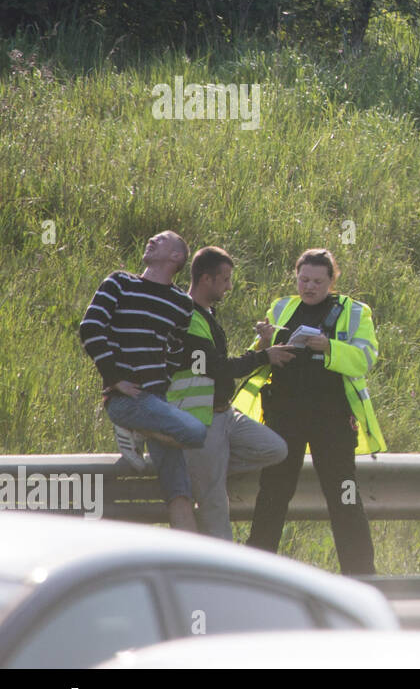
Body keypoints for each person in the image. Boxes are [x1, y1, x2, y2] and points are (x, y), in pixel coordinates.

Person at [233, 249, 385, 574]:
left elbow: (365, 359)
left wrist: (330, 347)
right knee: (273, 494)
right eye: (304, 279)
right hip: (283, 415)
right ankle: (258, 573)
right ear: (296, 276)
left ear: (332, 281)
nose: (309, 287)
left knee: (343, 497)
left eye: (318, 281)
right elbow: (257, 353)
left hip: (331, 418)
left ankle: (361, 576)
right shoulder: (282, 307)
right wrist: (263, 343)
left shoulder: (354, 312)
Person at [79, 230, 206, 531]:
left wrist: (163, 379)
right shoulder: (120, 282)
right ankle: (133, 426)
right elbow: (90, 327)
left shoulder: (180, 303)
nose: (151, 240)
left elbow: (175, 350)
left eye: (161, 239)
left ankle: (186, 564)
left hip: (158, 402)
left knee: (179, 491)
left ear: (177, 256)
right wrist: (114, 377)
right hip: (128, 398)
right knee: (196, 432)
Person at [166, 246, 292, 540]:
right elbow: (216, 367)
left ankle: (203, 472)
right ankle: (218, 574)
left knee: (275, 449)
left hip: (225, 416)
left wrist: (260, 347)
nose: (230, 286)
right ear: (207, 279)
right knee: (214, 510)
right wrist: (265, 357)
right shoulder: (188, 318)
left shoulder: (207, 314)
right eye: (225, 280)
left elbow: (221, 366)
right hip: (200, 419)